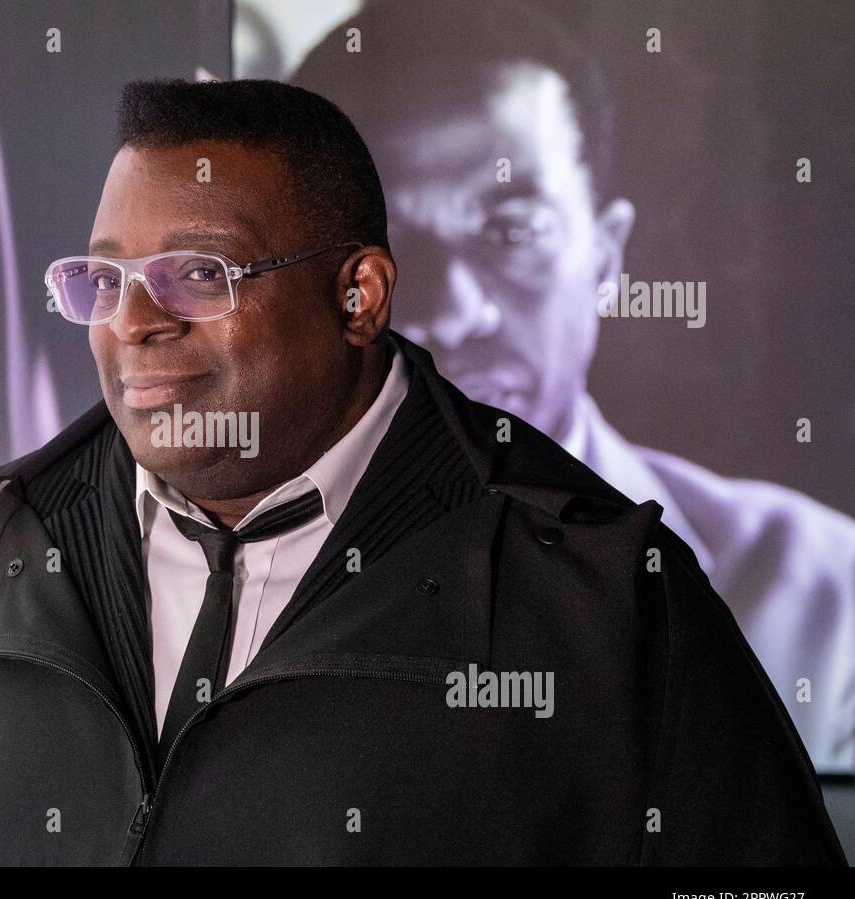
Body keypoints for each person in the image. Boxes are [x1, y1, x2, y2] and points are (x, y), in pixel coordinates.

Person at [0, 77, 845, 865]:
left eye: (198, 274)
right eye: (105, 278)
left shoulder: (609, 600)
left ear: (358, 294)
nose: (134, 323)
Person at [291, 0, 855, 775]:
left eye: (512, 231)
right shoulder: (202, 586)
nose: (450, 313)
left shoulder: (823, 600)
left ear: (606, 258)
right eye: (383, 245)